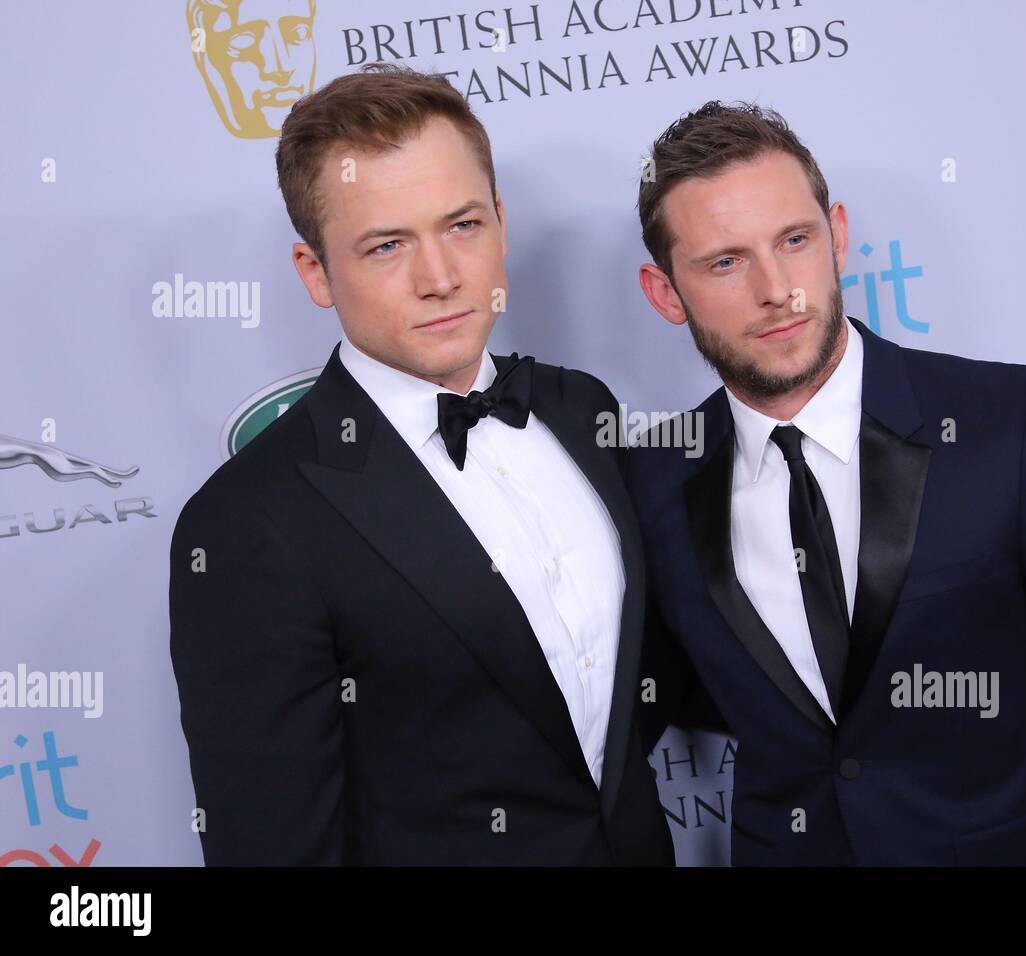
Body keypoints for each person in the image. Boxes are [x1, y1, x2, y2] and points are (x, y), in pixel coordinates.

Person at [631, 100, 1026, 866]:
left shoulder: (1015, 426)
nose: (777, 290)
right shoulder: (653, 480)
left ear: (836, 235)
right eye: (725, 262)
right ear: (666, 292)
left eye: (794, 241)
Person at [169, 64, 672, 865]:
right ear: (315, 272)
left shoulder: (582, 408)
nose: (439, 279)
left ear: (502, 223)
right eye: (387, 245)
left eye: (463, 225)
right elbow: (274, 845)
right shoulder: (246, 524)